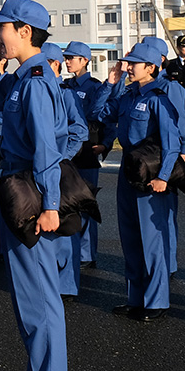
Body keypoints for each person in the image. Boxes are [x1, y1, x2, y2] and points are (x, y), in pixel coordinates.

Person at [0, 0, 68, 371]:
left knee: (40, 294)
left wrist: (51, 205)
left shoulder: (36, 81)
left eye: (3, 29)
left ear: (26, 31)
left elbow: (47, 150)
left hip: (30, 190)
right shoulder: (20, 77)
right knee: (27, 296)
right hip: (17, 187)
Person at [93, 40, 183, 321]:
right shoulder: (128, 95)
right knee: (130, 236)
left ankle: (156, 302)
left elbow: (172, 143)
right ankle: (135, 298)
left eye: (134, 64)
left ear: (151, 67)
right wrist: (110, 84)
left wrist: (164, 178)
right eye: (128, 62)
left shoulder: (159, 98)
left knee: (151, 240)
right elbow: (97, 113)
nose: (128, 67)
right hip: (128, 168)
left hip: (150, 172)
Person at [62, 42, 108, 269]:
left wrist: (105, 144)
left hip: (87, 150)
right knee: (69, 202)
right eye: (67, 57)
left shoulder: (94, 86)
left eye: (73, 57)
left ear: (85, 61)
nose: (68, 61)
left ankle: (87, 254)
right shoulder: (64, 85)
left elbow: (104, 116)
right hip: (69, 150)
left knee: (87, 202)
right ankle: (72, 250)